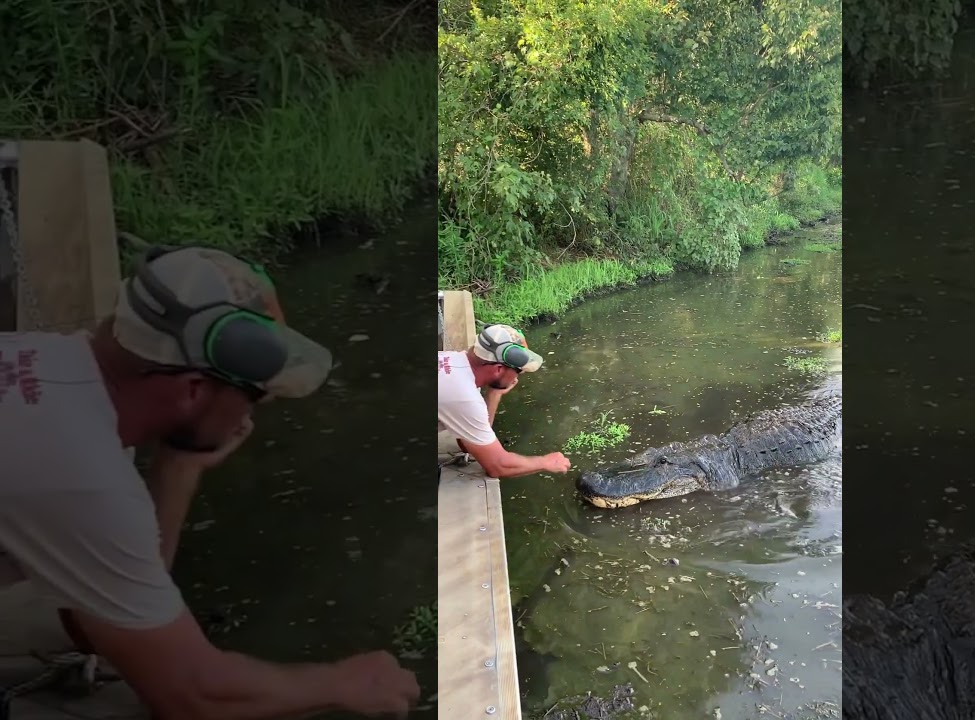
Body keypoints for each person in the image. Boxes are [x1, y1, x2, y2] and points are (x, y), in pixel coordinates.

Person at [0, 246, 420, 719]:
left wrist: (179, 467)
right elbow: (192, 696)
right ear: (193, 389)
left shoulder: (48, 365)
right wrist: (345, 682)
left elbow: (97, 617)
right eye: (255, 392)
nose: (258, 409)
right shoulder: (84, 477)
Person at [437, 324, 571, 478]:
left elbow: (468, 443)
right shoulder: (464, 396)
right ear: (498, 369)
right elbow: (497, 466)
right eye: (518, 370)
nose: (518, 377)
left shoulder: (454, 363)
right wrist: (546, 462)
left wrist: (494, 395)